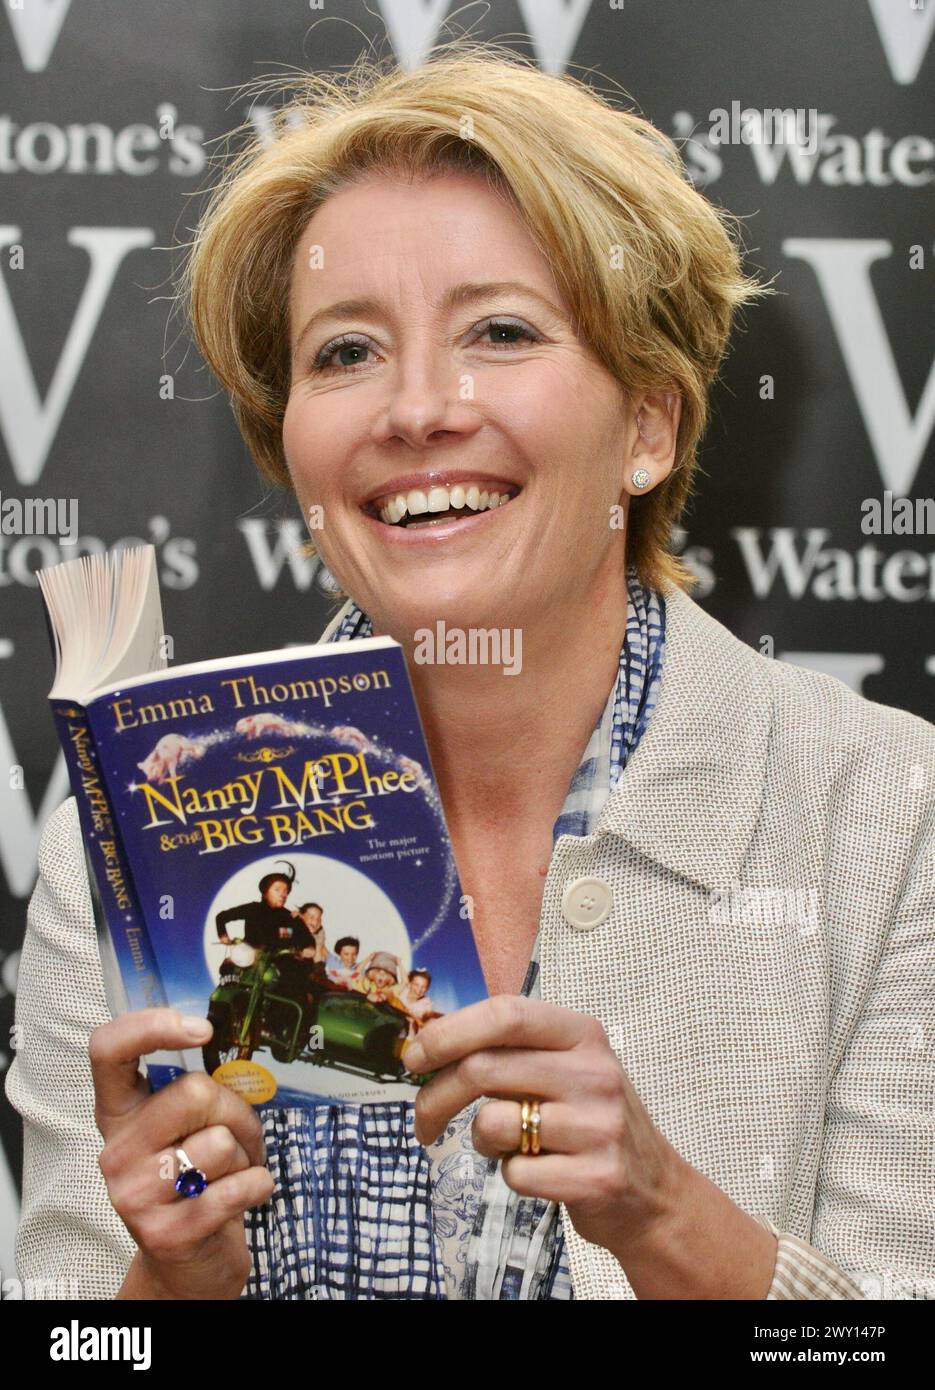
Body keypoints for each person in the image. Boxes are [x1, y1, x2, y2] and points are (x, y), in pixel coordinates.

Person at [7, 43, 934, 1302]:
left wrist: (663, 1214)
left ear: (647, 426)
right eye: (344, 353)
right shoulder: (128, 839)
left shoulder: (893, 815)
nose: (417, 408)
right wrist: (171, 1284)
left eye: (499, 331)